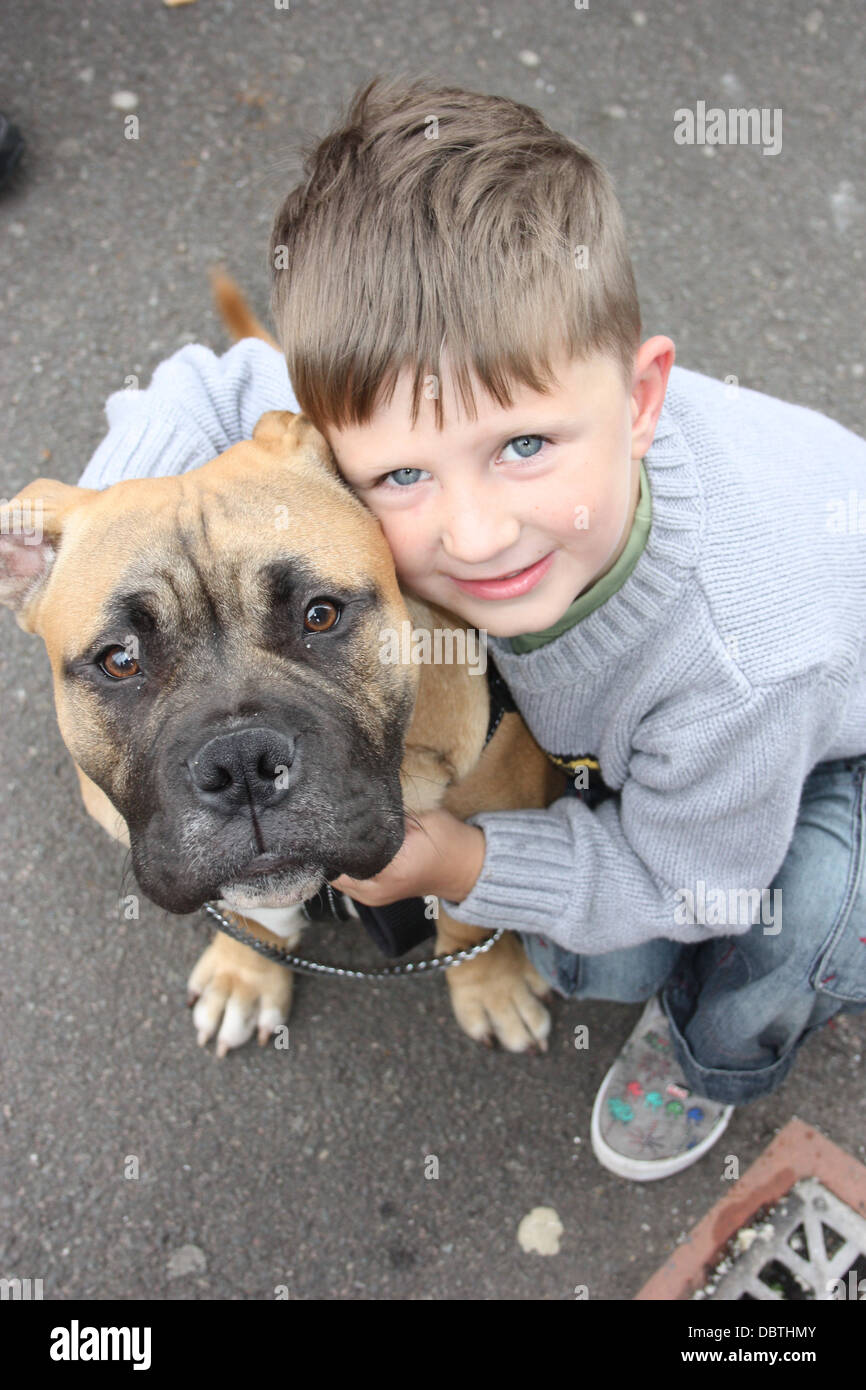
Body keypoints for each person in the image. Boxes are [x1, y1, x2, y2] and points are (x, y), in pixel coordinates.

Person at [78, 76, 866, 1181]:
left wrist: (467, 859)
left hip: (799, 745)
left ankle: (713, 1055)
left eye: (526, 446)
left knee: (774, 918)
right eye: (398, 473)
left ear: (640, 401)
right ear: (323, 436)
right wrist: (89, 547)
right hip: (656, 708)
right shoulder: (398, 404)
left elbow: (698, 881)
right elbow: (210, 383)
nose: (476, 532)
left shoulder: (742, 658)